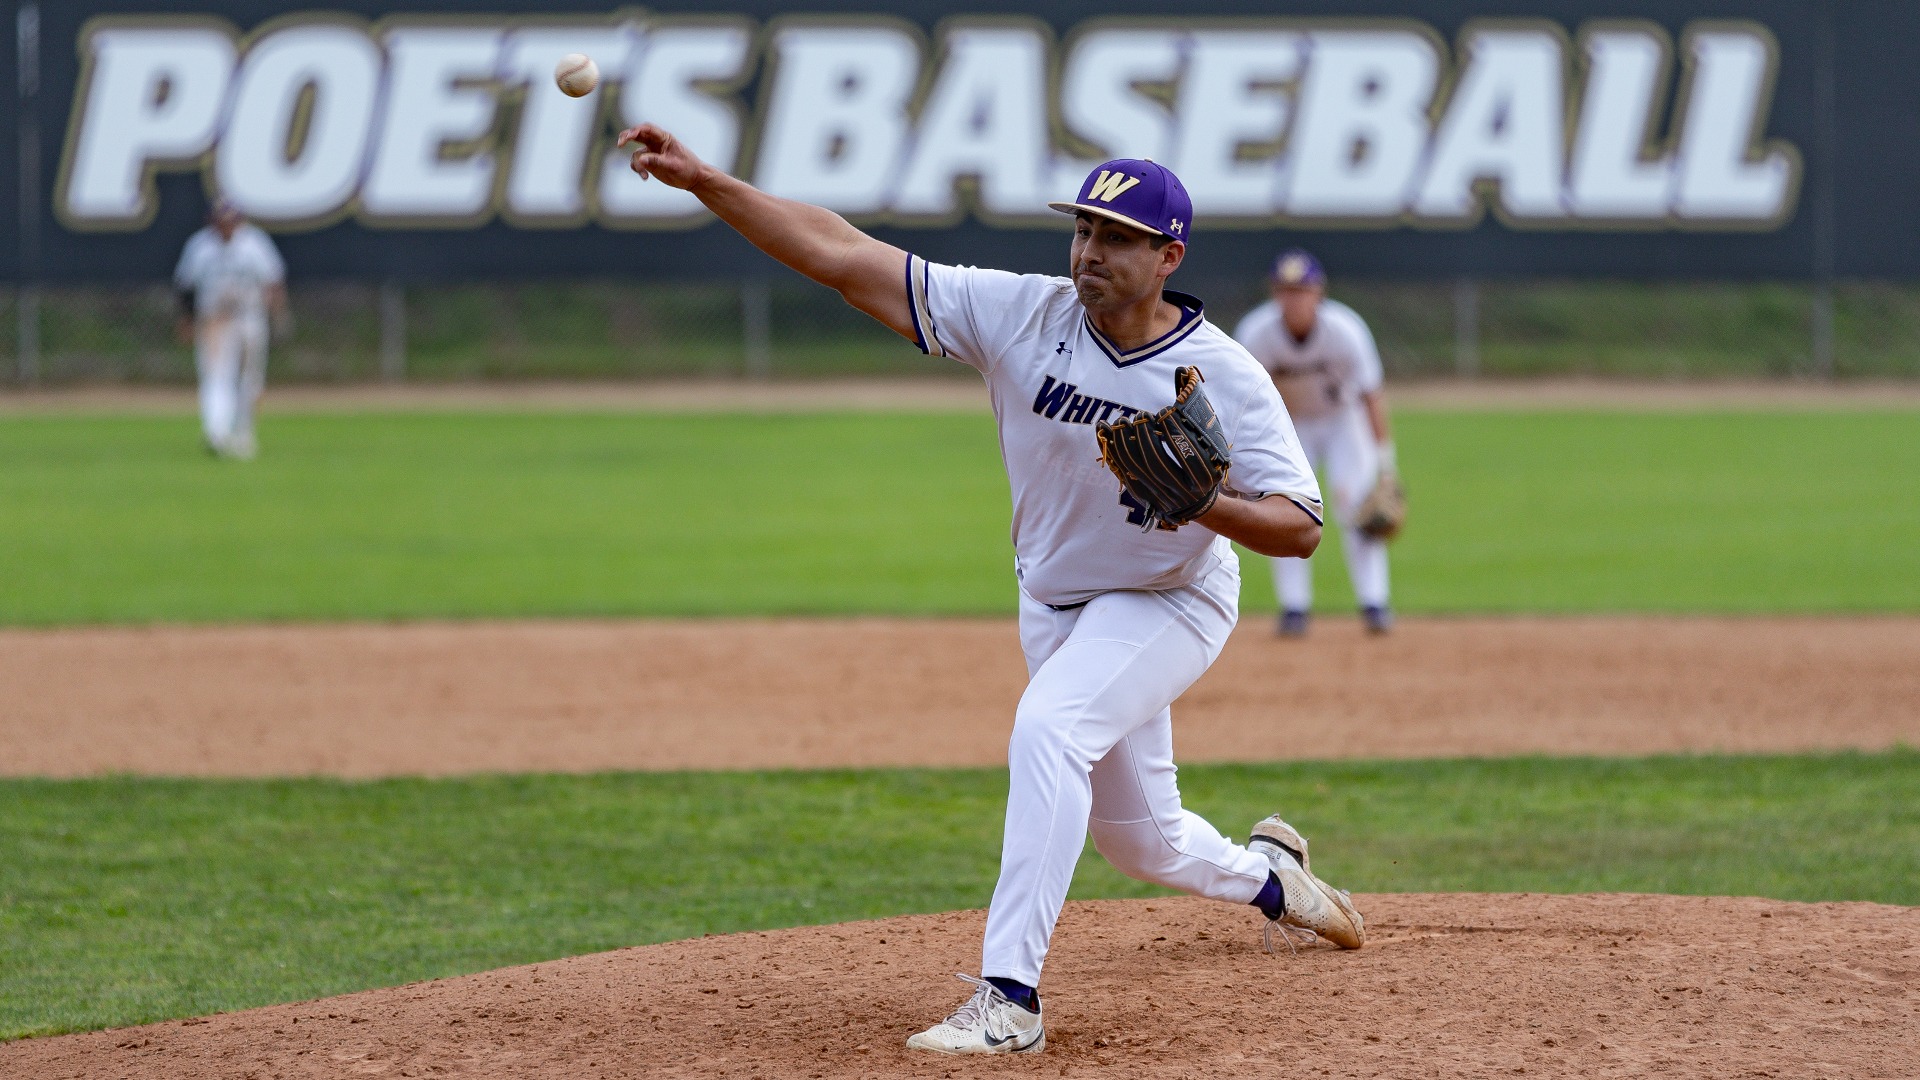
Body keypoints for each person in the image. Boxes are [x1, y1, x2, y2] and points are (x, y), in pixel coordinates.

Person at [614, 123, 1367, 1056]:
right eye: (1084, 230)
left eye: (1118, 237)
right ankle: (1273, 877)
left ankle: (1010, 1000)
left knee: (1049, 728)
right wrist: (706, 183)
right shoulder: (1021, 313)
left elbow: (1300, 527)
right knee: (1143, 841)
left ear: (1169, 255)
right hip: (1055, 603)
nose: (1090, 251)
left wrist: (1207, 501)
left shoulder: (1225, 373)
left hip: (1169, 600)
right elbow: (845, 256)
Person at [1233, 250, 1398, 636]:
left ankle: (1374, 603)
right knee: (1286, 510)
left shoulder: (1347, 330)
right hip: (1290, 427)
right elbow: (1239, 400)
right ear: (1275, 293)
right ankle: (1294, 608)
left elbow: (1372, 395)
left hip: (1343, 423)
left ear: (1318, 292)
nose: (1295, 299)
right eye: (1287, 290)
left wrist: (1386, 464)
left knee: (1358, 509)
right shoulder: (1256, 333)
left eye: (1302, 290)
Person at [173, 200, 288, 459]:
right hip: (214, 320)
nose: (226, 228)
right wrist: (186, 320)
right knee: (215, 377)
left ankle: (244, 434)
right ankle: (217, 433)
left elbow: (273, 281)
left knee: (250, 379)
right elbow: (185, 286)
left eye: (230, 223)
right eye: (221, 223)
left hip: (249, 318)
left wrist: (278, 315)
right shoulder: (200, 246)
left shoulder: (254, 244)